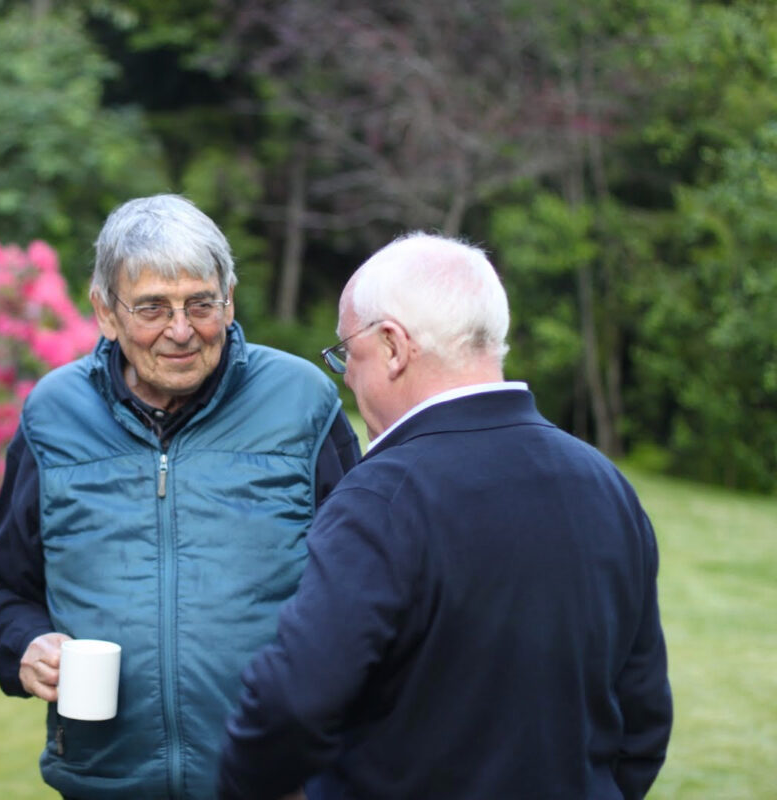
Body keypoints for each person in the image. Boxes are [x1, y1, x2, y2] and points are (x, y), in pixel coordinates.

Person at [218, 232, 673, 799]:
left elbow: (293, 701)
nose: (349, 378)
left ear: (391, 346)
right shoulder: (607, 486)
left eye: (345, 355)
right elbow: (644, 720)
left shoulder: (382, 496)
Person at [0, 194, 361, 799]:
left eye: (201, 304)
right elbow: (3, 583)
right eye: (152, 307)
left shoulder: (302, 403)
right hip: (106, 781)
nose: (180, 331)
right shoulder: (54, 415)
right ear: (106, 311)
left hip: (275, 781)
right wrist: (26, 644)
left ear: (228, 303)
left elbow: (364, 586)